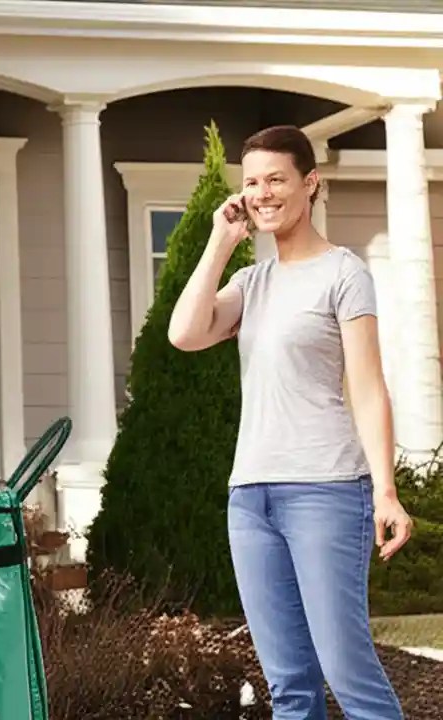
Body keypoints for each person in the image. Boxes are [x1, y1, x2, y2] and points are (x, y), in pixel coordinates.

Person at [167, 124, 413, 719]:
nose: (262, 193)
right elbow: (183, 334)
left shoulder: (343, 273)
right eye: (251, 182)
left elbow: (367, 384)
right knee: (289, 687)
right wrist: (221, 243)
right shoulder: (252, 283)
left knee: (346, 670)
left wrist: (385, 489)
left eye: (276, 179)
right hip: (251, 498)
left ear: (311, 183)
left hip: (326, 490)